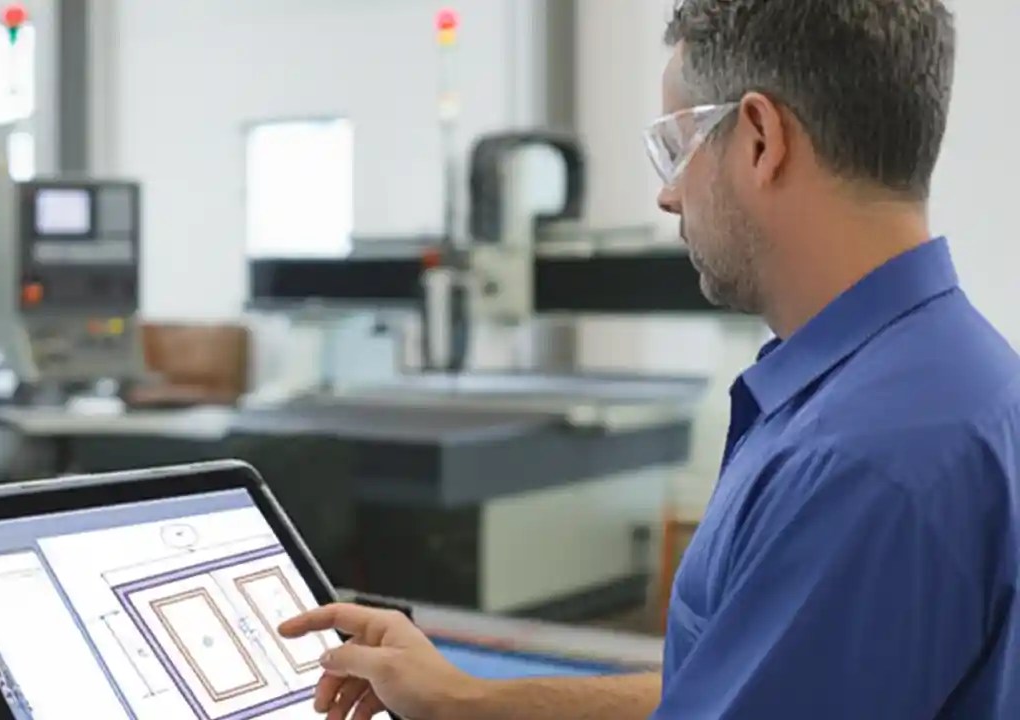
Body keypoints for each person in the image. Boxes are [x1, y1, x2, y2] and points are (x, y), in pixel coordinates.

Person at [278, 1, 1020, 718]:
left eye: (679, 144)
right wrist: (466, 701)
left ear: (761, 138)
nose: (668, 193)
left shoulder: (862, 460)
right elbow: (731, 686)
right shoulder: (957, 380)